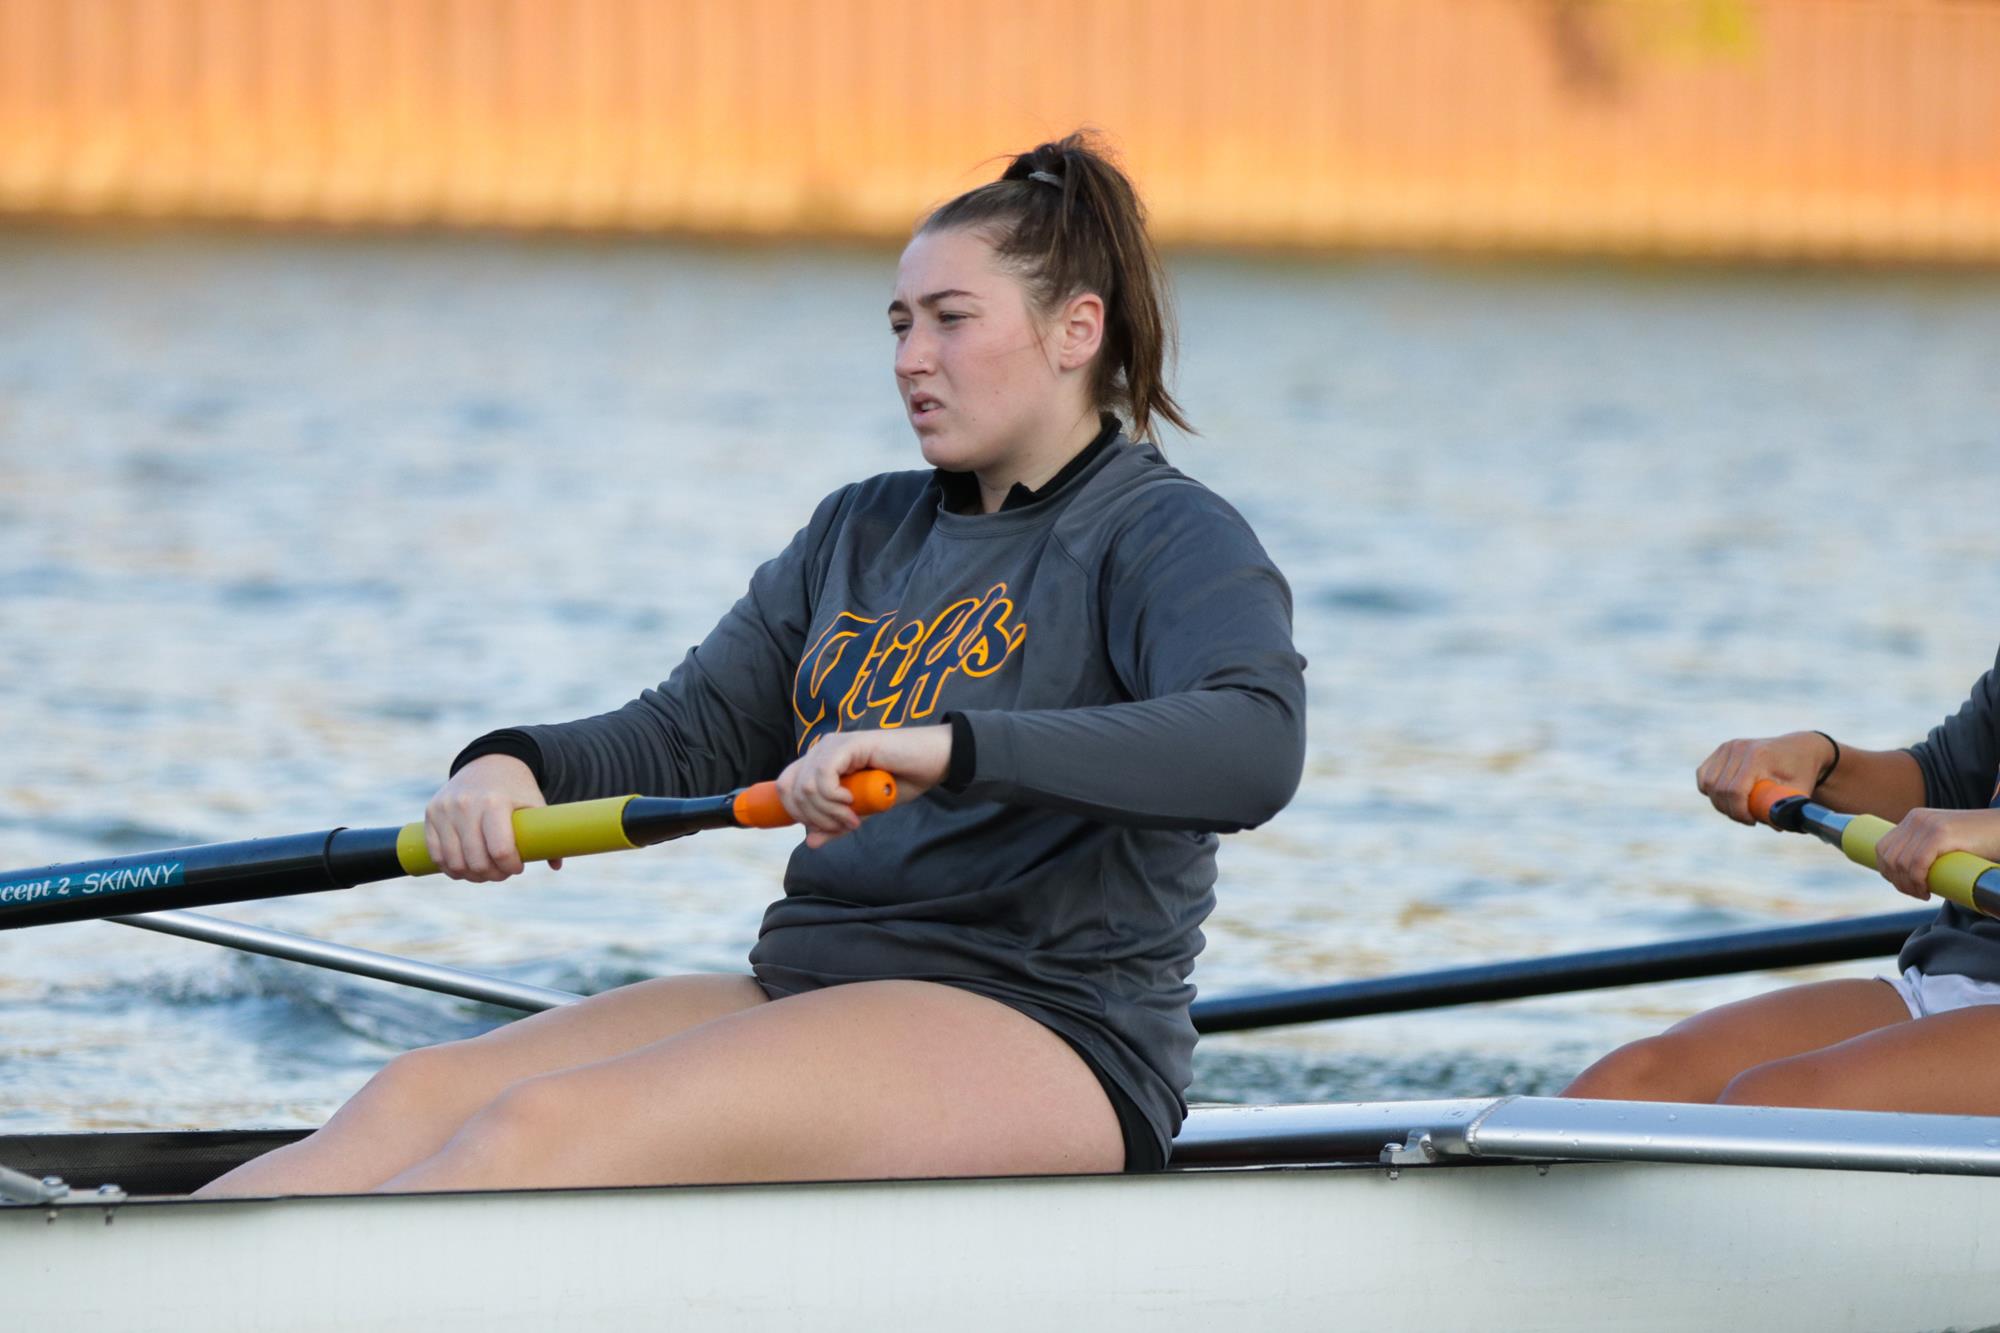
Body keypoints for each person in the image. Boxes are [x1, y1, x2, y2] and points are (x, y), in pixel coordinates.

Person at [194, 131, 1307, 1196]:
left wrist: (945, 749)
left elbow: (1253, 745)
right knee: (415, 1094)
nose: (910, 359)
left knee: (545, 1127)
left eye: (951, 320)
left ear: (1075, 331)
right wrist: (507, 767)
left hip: (1047, 1026)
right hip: (810, 986)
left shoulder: (1162, 533)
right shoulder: (858, 531)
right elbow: (687, 734)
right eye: (899, 324)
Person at [1563, 647, 2000, 1112]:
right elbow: (1945, 783)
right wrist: (1824, 762)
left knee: (1769, 1103)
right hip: (1956, 970)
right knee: (1627, 1083)